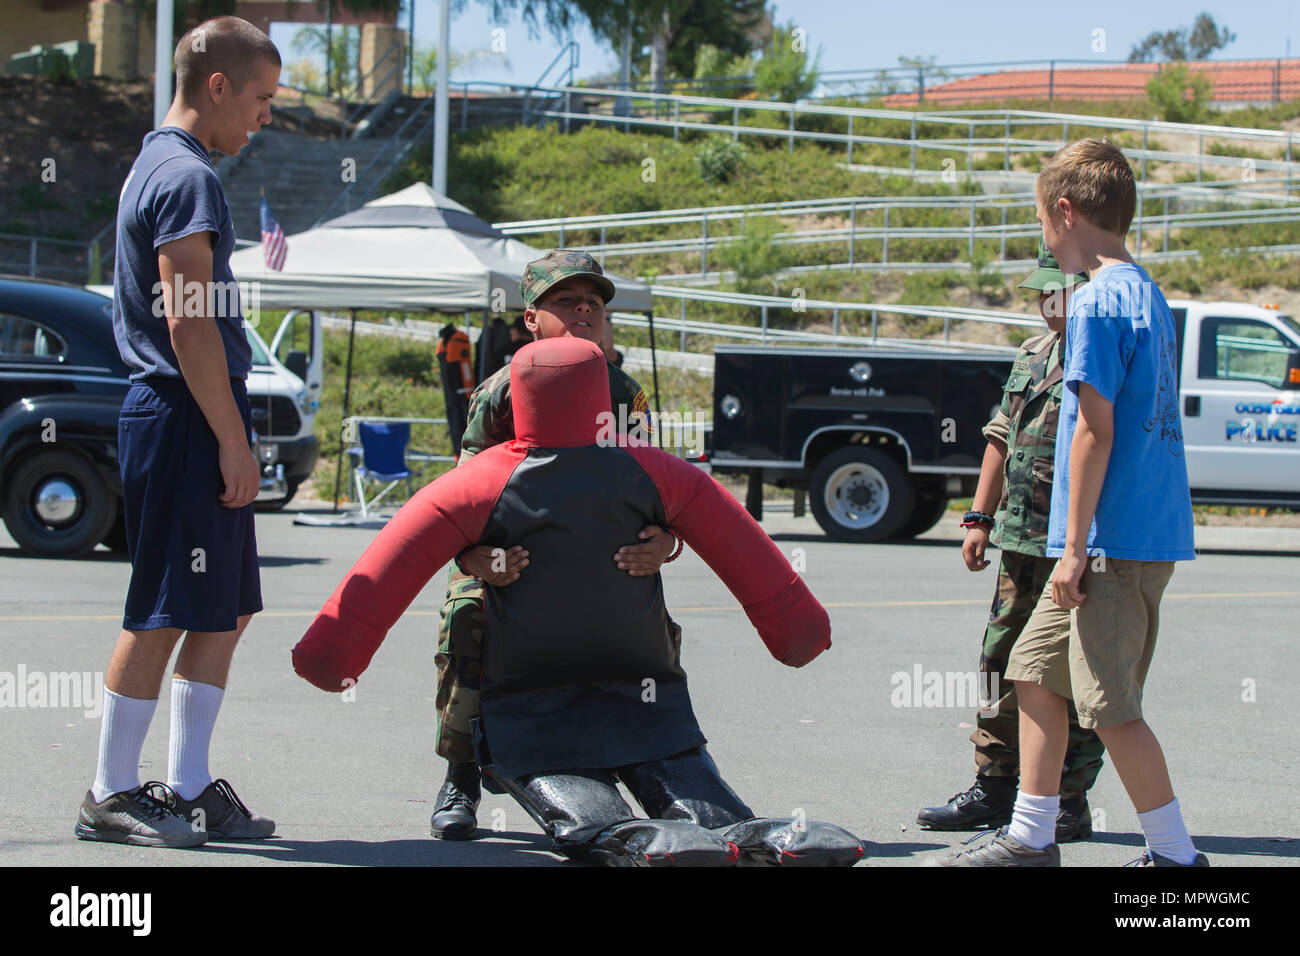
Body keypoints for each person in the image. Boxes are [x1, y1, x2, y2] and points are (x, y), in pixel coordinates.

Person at [293, 337, 864, 867]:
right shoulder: (654, 468)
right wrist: (797, 630)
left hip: (529, 696)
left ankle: (663, 836)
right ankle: (743, 833)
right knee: (679, 779)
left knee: (586, 789)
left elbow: (390, 565)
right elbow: (745, 548)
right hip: (642, 687)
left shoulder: (480, 480)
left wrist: (334, 655)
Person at [931, 138, 1203, 866]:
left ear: (1064, 211)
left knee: (1111, 711)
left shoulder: (1098, 303)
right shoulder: (1144, 289)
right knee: (1031, 671)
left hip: (1108, 544)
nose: (1045, 243)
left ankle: (1177, 858)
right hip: (1120, 538)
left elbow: (1093, 432)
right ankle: (1030, 836)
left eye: (1043, 227)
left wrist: (1076, 547)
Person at [75, 16, 280, 847]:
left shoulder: (164, 166)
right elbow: (189, 322)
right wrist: (231, 438)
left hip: (190, 412)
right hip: (183, 414)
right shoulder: (184, 176)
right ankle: (109, 791)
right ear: (218, 86)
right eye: (261, 99)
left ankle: (188, 785)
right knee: (163, 607)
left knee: (220, 609)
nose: (266, 117)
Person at [430, 250, 677, 840]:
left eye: (593, 301)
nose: (584, 310)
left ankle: (651, 765)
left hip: (602, 560)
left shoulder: (625, 395)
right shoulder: (499, 393)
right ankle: (461, 771)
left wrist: (666, 544)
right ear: (532, 318)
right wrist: (476, 560)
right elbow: (458, 500)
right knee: (467, 620)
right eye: (567, 300)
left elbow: (662, 490)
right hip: (511, 560)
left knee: (652, 633)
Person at [916, 243, 1105, 842]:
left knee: (1071, 671)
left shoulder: (1100, 353)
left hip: (1073, 541)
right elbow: (1000, 437)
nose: (1048, 303)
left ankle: (1067, 800)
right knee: (999, 661)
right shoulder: (1031, 355)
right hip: (1021, 540)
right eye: (1042, 293)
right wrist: (978, 517)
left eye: (1059, 292)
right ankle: (996, 786)